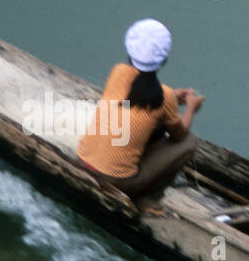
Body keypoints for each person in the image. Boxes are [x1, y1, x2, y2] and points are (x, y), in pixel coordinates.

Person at [77, 18, 204, 215]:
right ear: (163, 60)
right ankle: (149, 199)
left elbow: (136, 105)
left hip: (84, 161)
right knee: (190, 142)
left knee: (145, 123)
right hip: (117, 181)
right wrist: (190, 108)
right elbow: (180, 136)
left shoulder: (118, 72)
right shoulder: (164, 96)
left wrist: (172, 100)